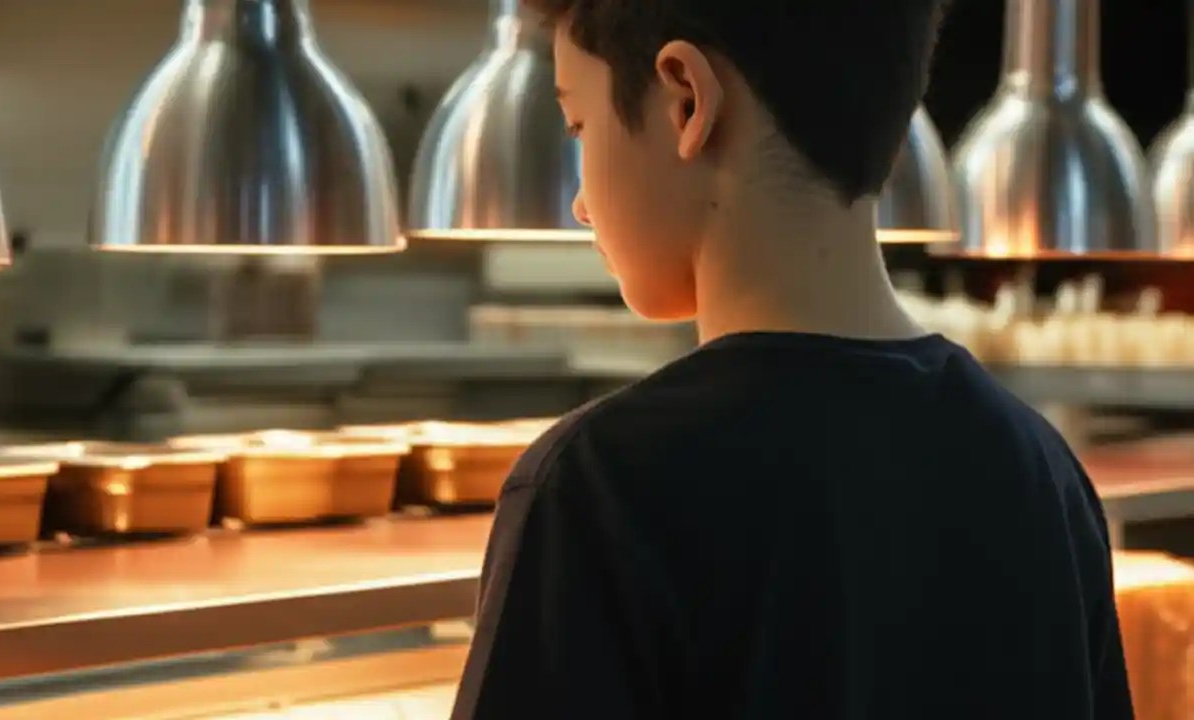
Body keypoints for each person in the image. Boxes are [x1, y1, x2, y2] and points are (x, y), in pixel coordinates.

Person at [450, 1, 1133, 718]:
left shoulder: (598, 486)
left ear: (686, 99)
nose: (582, 202)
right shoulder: (1042, 473)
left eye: (578, 128)